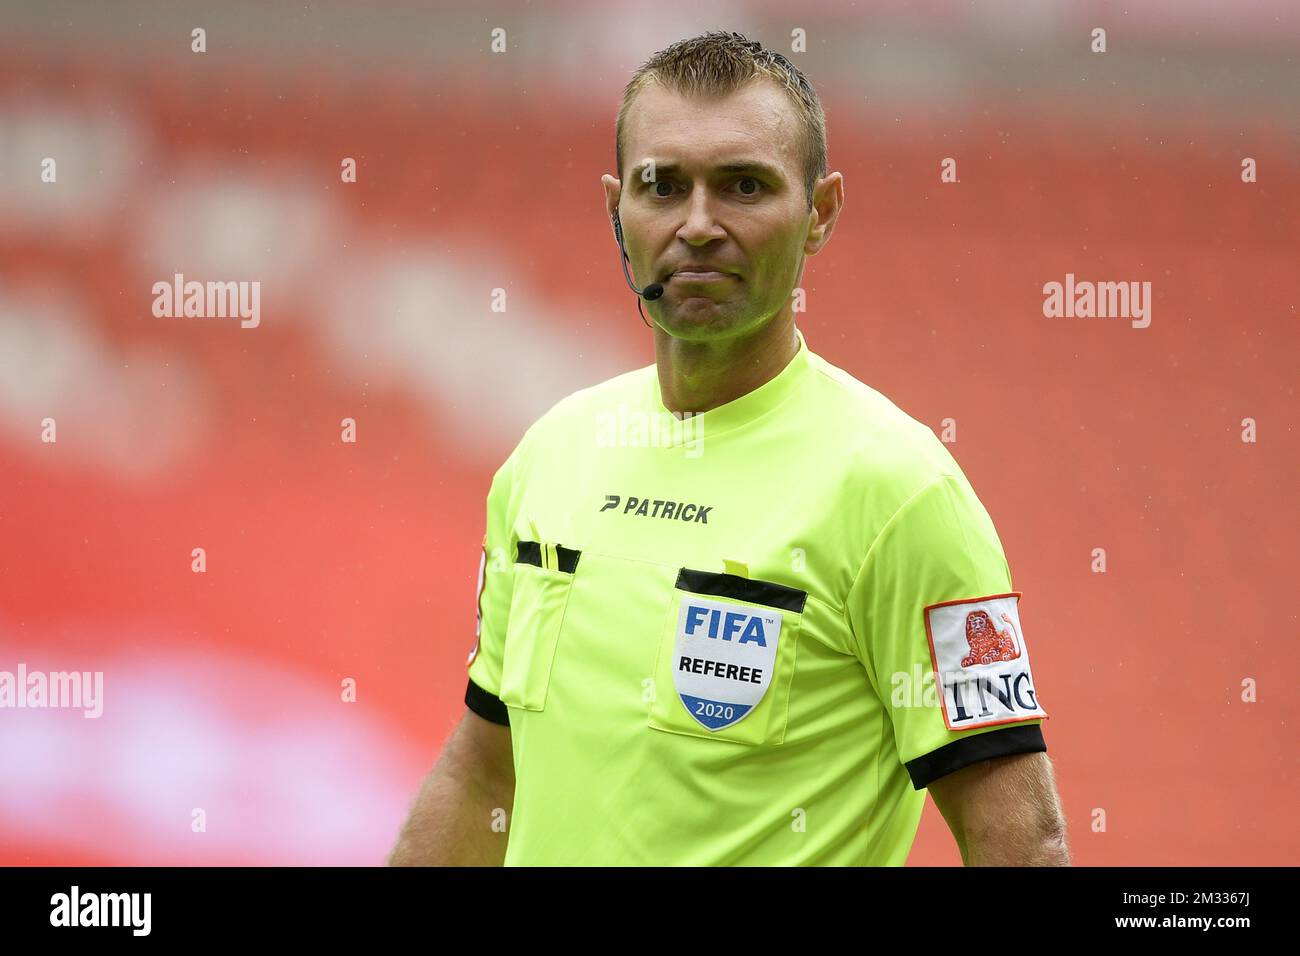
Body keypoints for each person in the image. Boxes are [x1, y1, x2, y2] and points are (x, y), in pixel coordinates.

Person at [389, 30, 1068, 867]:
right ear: (616, 210)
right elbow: (486, 775)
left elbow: (1022, 846)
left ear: (820, 213)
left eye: (744, 186)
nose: (698, 225)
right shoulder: (549, 457)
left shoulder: (902, 494)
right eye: (662, 186)